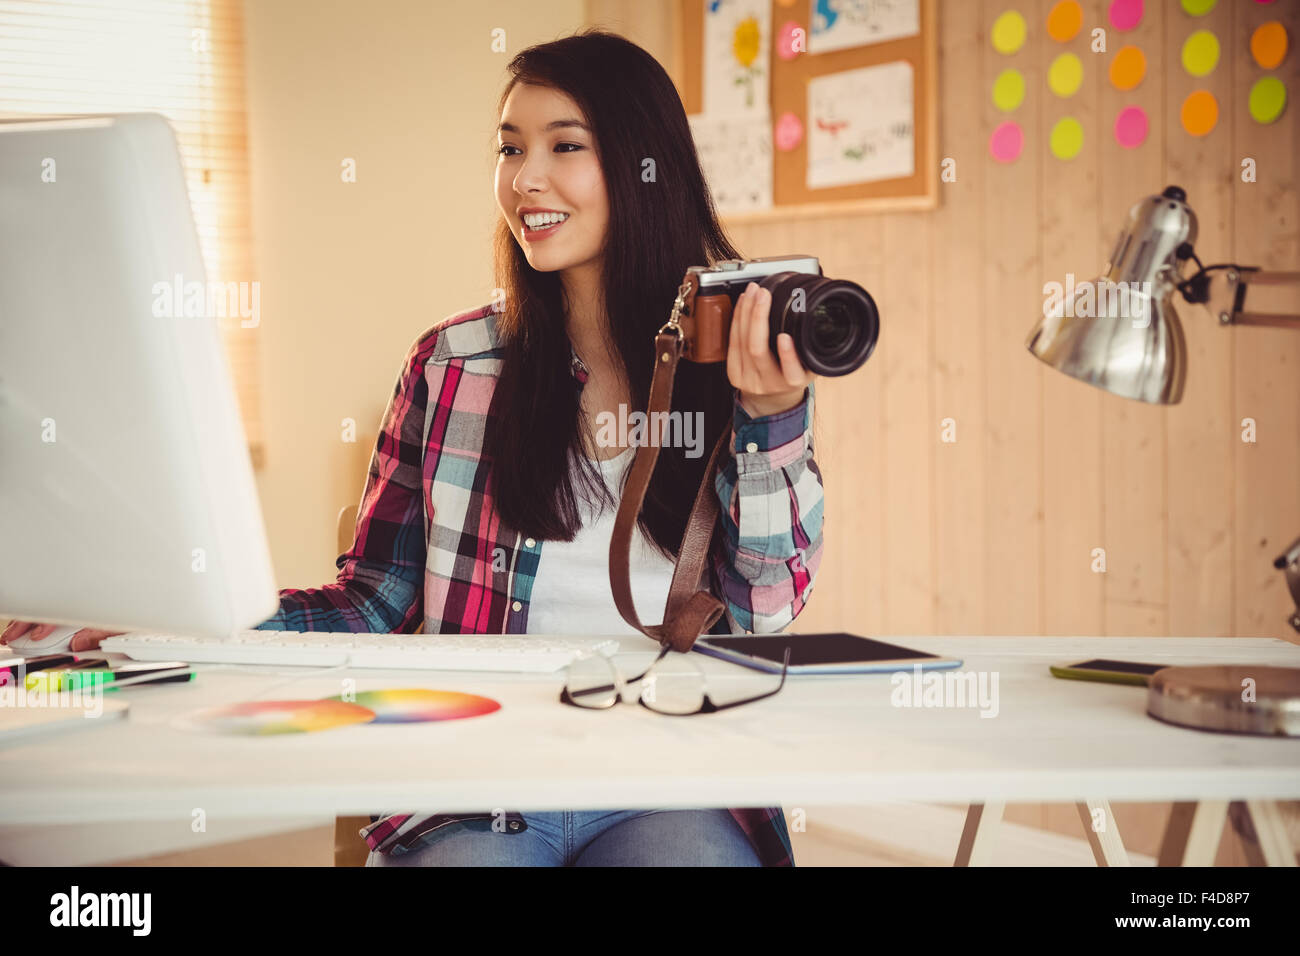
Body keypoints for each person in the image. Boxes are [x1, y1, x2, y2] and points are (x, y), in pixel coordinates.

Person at [3, 28, 825, 866]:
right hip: (473, 780)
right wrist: (166, 624)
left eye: (564, 146)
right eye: (509, 149)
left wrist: (772, 418)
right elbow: (373, 603)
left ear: (645, 166)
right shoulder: (451, 362)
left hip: (667, 773)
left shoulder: (734, 358)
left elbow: (763, 611)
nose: (525, 179)